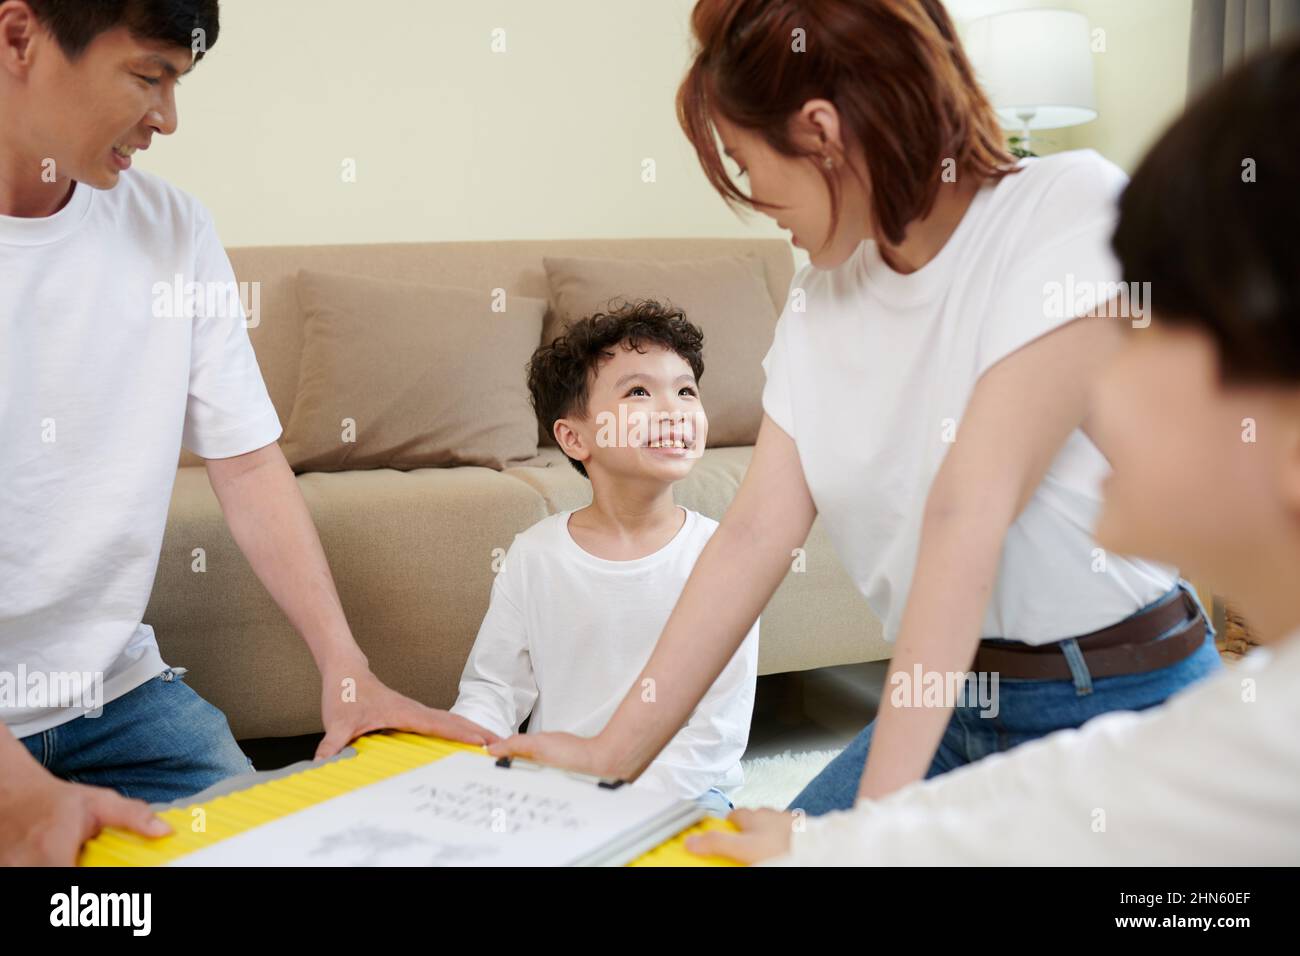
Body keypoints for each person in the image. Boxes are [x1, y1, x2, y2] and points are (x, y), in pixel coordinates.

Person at [489, 0, 1221, 816]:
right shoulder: (821, 298)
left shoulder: (1068, 207)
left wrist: (869, 837)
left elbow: (965, 514)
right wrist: (608, 754)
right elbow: (756, 536)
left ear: (821, 132)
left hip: (1114, 699)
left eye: (744, 159)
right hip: (950, 710)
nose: (753, 198)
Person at [685, 35, 1300, 865]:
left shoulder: (1235, 778)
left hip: (1111, 679)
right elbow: (1054, 799)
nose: (1097, 382)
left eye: (1155, 334)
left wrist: (858, 844)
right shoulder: (1241, 737)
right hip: (971, 710)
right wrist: (845, 841)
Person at [0, 0, 495, 867]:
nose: (168, 118)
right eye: (148, 76)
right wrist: (24, 795)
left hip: (117, 703)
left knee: (281, 853)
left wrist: (346, 669)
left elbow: (248, 462)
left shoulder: (174, 232)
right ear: (18, 38)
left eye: (178, 83)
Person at [451, 301, 759, 816]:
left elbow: (716, 733)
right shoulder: (535, 555)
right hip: (559, 783)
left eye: (686, 391)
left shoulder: (722, 555)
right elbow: (495, 688)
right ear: (574, 438)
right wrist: (465, 756)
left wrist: (622, 799)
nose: (674, 409)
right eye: (639, 391)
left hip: (685, 790)